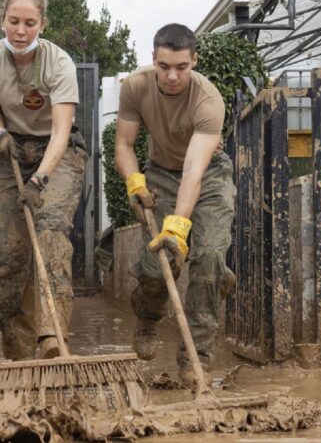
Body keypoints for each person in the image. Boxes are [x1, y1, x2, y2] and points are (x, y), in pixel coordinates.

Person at [114, 23, 235, 387]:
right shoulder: (135, 87)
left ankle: (196, 360)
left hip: (208, 176)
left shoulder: (208, 101)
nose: (171, 76)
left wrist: (178, 227)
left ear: (194, 61)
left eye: (181, 67)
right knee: (156, 266)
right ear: (153, 58)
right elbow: (123, 145)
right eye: (164, 66)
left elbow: (194, 172)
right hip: (161, 173)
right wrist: (135, 182)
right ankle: (149, 319)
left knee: (209, 257)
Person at [0, 0, 86, 361]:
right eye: (13, 21)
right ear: (3, 19)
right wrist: (0, 133)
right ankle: (19, 351)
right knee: (7, 252)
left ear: (42, 24)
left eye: (29, 23)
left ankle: (52, 338)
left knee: (51, 231)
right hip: (9, 150)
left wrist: (39, 179)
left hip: (58, 152)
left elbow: (61, 131)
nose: (20, 32)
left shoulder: (59, 63)